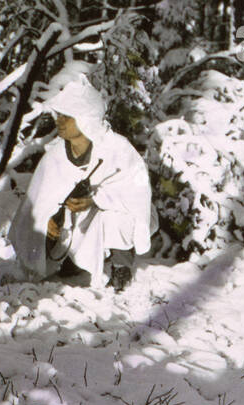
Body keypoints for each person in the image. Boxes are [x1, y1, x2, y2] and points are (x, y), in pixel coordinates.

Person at [8, 77, 155, 292]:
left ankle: (119, 266)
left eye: (67, 116)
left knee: (116, 217)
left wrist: (95, 200)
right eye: (59, 114)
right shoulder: (55, 157)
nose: (59, 120)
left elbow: (136, 197)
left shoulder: (118, 150)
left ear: (86, 119)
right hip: (72, 227)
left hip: (108, 219)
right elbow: (37, 205)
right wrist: (48, 223)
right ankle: (71, 262)